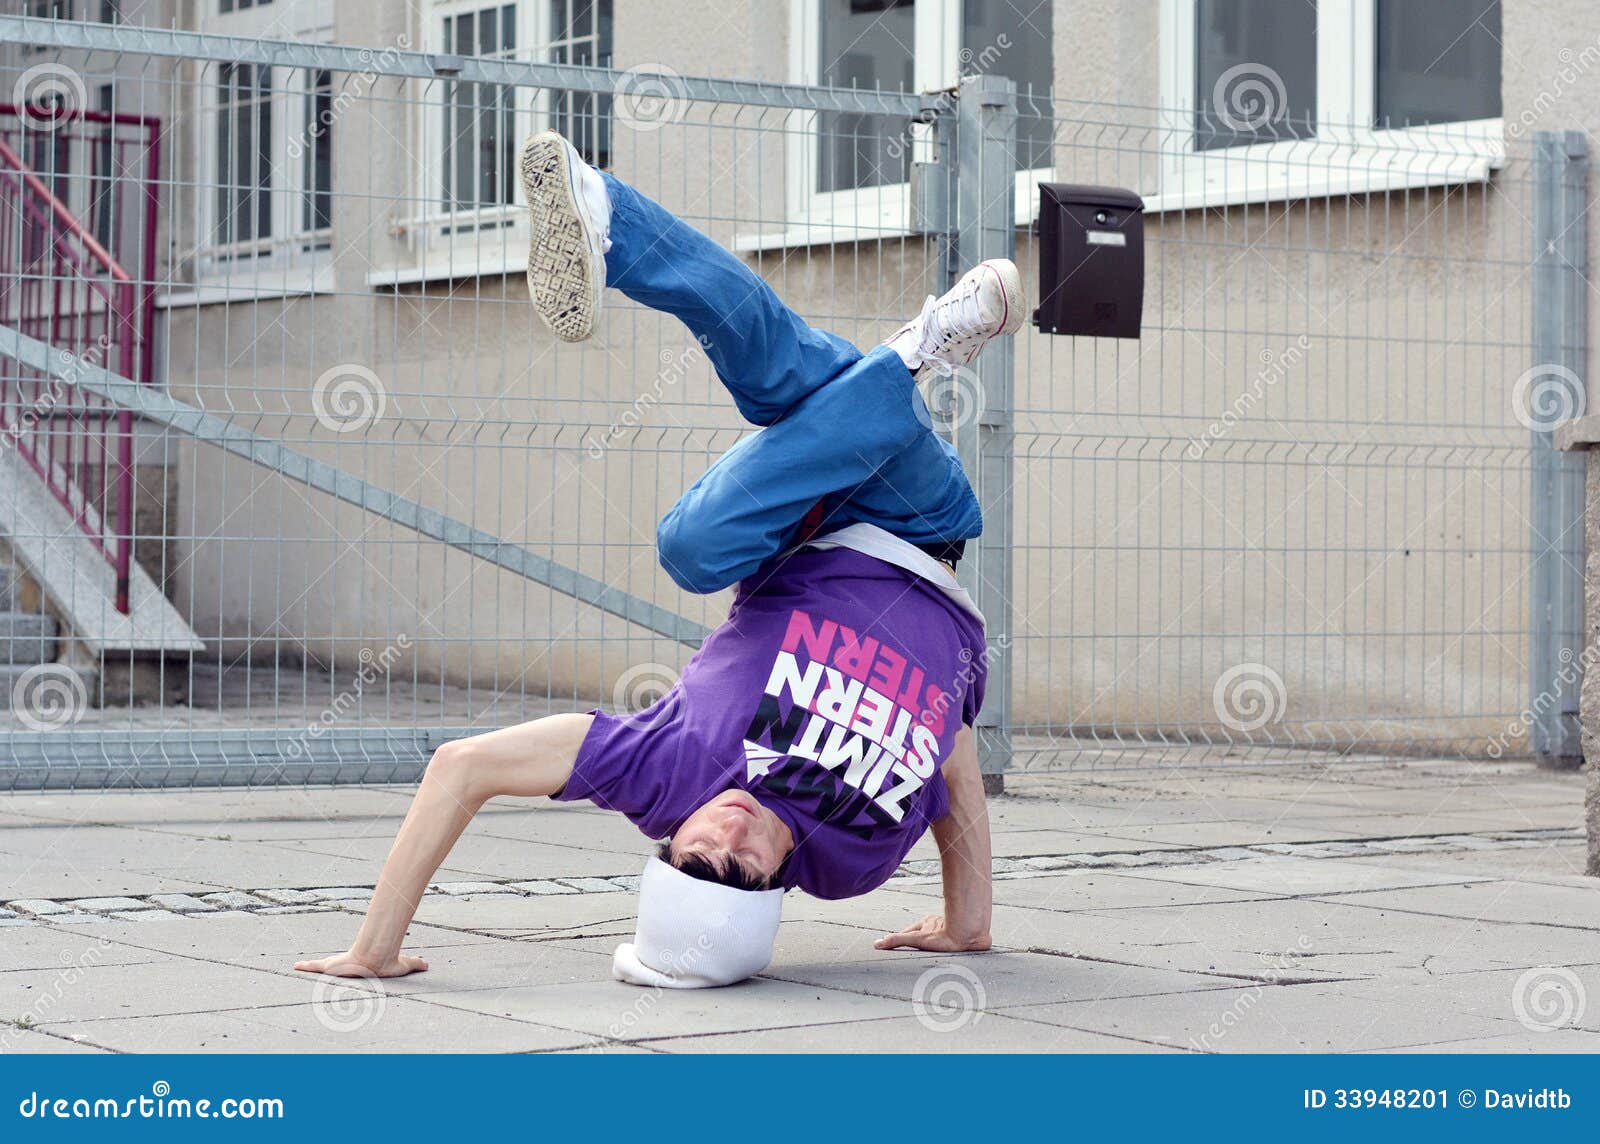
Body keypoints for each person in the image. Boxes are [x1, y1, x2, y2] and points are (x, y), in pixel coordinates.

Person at [294, 129, 1025, 989]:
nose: (726, 836)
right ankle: (910, 355)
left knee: (703, 526)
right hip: (921, 513)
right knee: (780, 395)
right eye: (740, 870)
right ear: (773, 889)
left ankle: (626, 226)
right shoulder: (850, 860)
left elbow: (463, 767)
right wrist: (969, 921)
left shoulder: (666, 773)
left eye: (693, 856)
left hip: (809, 513)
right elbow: (951, 750)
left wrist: (374, 947)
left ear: (666, 841)